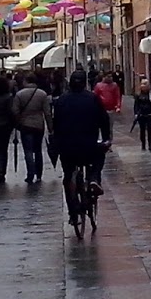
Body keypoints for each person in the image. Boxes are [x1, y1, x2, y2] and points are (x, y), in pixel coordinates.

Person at [50, 70, 112, 225]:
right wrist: (106, 139)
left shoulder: (61, 100)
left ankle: (72, 213)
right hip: (88, 145)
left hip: (66, 147)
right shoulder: (92, 98)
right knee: (99, 156)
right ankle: (93, 178)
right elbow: (104, 119)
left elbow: (55, 124)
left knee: (68, 176)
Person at [11, 71, 51, 184]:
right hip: (39, 125)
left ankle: (30, 174)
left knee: (28, 150)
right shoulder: (42, 94)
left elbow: (15, 111)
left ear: (25, 81)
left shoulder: (20, 94)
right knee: (38, 150)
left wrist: (18, 121)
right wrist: (50, 127)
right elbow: (47, 113)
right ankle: (39, 174)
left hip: (25, 125)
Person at [133, 78, 151, 150]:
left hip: (150, 113)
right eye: (143, 84)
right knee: (142, 130)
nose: (144, 86)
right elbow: (136, 105)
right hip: (141, 114)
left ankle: (150, 144)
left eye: (145, 84)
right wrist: (136, 113)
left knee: (150, 130)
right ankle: (143, 144)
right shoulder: (138, 94)